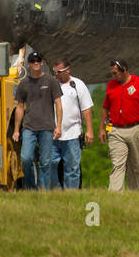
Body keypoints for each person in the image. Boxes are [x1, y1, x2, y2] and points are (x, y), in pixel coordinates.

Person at [102, 58, 139, 191]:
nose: (113, 76)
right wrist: (102, 128)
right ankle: (115, 196)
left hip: (135, 129)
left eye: (115, 73)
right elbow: (105, 108)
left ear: (124, 70)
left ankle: (133, 194)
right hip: (115, 130)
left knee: (135, 165)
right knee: (117, 164)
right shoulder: (111, 85)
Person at [13, 51, 63, 190]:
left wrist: (58, 126)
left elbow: (58, 104)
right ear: (28, 64)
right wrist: (17, 130)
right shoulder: (23, 83)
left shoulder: (51, 81)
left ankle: (43, 191)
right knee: (26, 158)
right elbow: (20, 107)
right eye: (33, 61)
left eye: (38, 61)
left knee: (45, 162)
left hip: (47, 127)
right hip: (29, 127)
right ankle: (30, 188)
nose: (36, 63)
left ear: (42, 63)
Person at [51, 57, 93, 190]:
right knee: (51, 164)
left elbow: (86, 109)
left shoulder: (77, 84)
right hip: (53, 134)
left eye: (59, 71)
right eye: (54, 72)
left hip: (72, 133)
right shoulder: (52, 84)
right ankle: (55, 193)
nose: (56, 74)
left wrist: (89, 130)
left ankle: (72, 194)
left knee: (72, 168)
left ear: (68, 70)